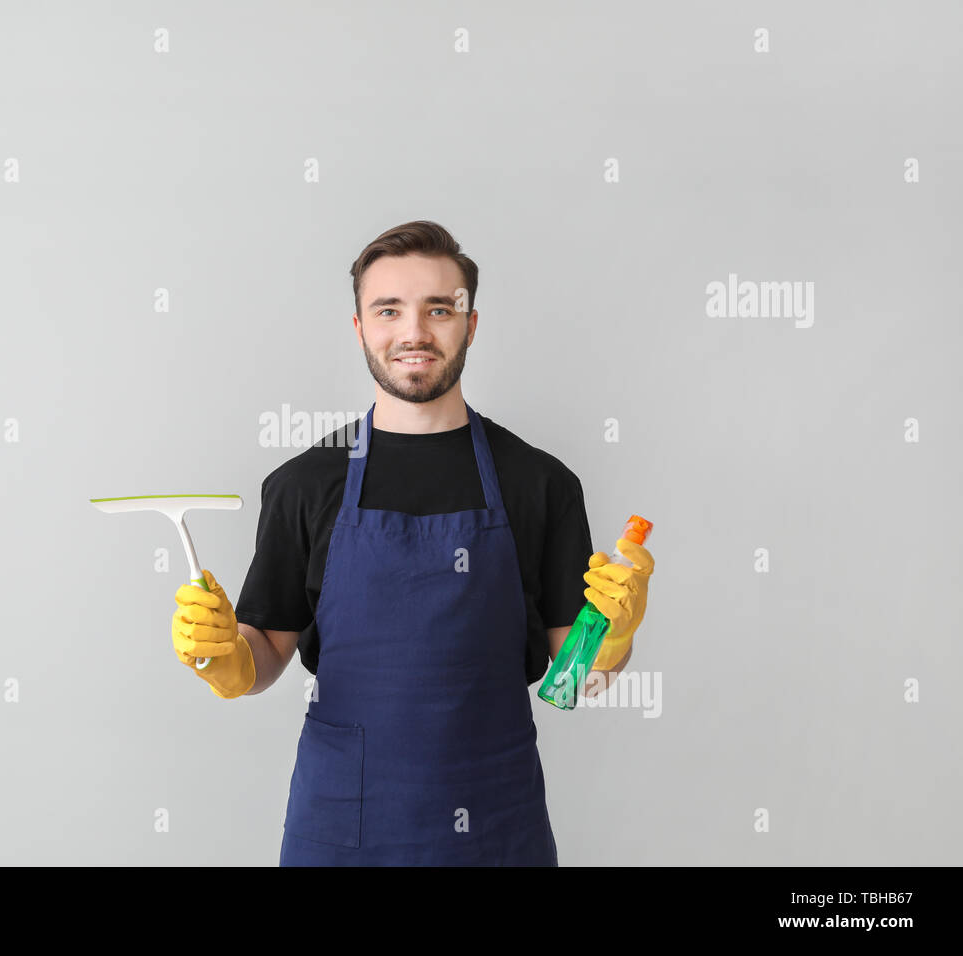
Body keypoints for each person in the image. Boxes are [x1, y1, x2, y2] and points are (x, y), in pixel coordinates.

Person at [170, 220, 654, 865]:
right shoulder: (304, 484)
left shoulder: (540, 483)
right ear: (361, 327)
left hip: (495, 821)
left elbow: (570, 682)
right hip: (346, 821)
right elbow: (264, 652)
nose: (414, 332)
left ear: (471, 324)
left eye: (439, 309)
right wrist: (224, 659)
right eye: (389, 309)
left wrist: (613, 640)